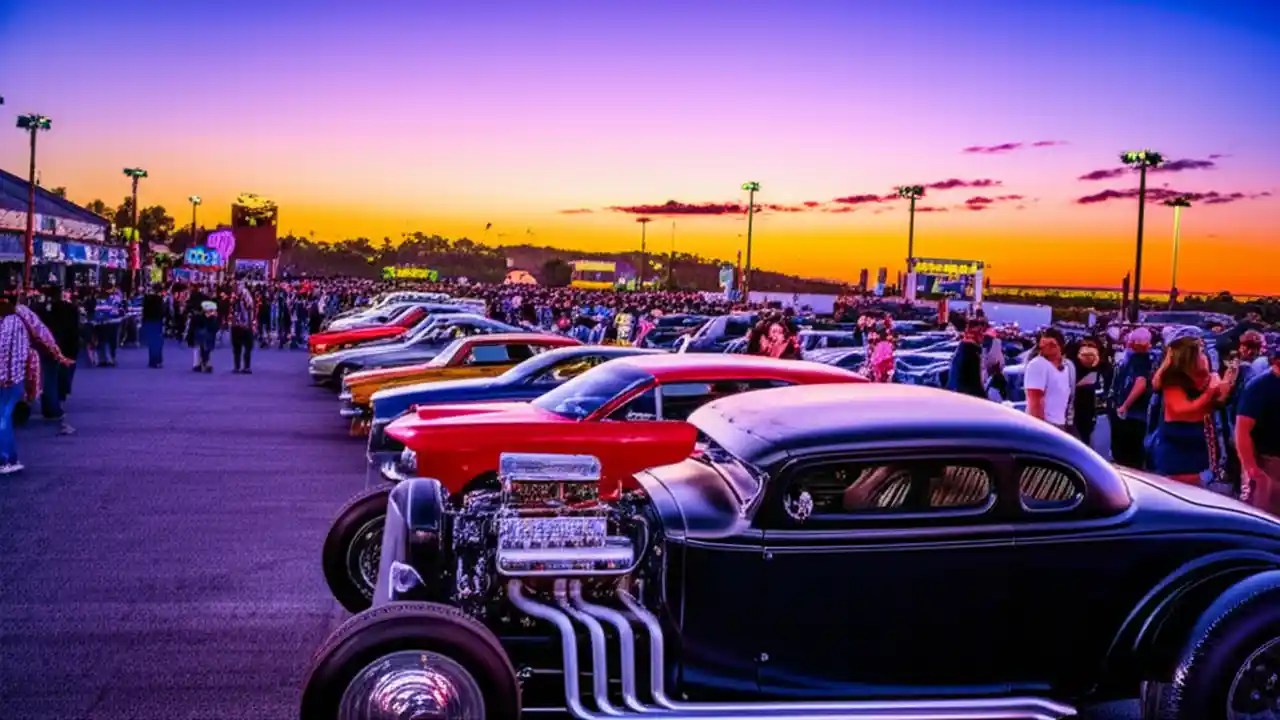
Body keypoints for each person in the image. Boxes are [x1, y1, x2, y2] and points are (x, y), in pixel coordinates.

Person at [1148, 332, 1234, 486]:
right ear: (1190, 357)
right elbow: (1181, 409)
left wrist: (1226, 384)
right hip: (1178, 444)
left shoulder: (1209, 376)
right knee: (1179, 491)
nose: (1206, 355)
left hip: (1203, 444)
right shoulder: (1173, 379)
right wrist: (1210, 392)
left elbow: (1217, 402)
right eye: (1201, 352)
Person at [1236, 346, 1280, 515]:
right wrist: (1251, 468)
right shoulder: (1259, 387)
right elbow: (1242, 429)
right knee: (1263, 517)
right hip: (1268, 462)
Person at [1112, 328, 1155, 467]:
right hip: (1132, 414)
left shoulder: (1137, 360)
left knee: (1126, 456)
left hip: (1131, 414)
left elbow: (1140, 384)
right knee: (1129, 457)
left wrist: (1125, 405)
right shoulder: (1140, 359)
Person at [1024, 327, 1075, 433]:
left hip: (1062, 424)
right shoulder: (1037, 365)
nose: (1045, 347)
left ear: (1060, 346)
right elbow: (1035, 401)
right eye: (1043, 343)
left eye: (1051, 344)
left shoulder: (1068, 366)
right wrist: (1040, 429)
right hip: (1044, 425)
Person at [946, 317, 986, 397]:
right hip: (963, 398)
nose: (982, 336)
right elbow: (975, 385)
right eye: (980, 332)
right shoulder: (971, 353)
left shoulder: (962, 349)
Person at [230, 288, 255, 374]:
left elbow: (232, 314)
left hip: (236, 327)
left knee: (237, 348)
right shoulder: (249, 303)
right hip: (246, 328)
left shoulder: (234, 301)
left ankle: (237, 367)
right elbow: (251, 315)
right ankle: (246, 367)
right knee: (247, 347)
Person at [141, 283, 165, 368]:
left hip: (148, 321)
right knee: (158, 342)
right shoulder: (159, 299)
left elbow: (144, 311)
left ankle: (152, 361)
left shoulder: (146, 298)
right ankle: (158, 360)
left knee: (151, 342)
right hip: (157, 322)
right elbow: (162, 312)